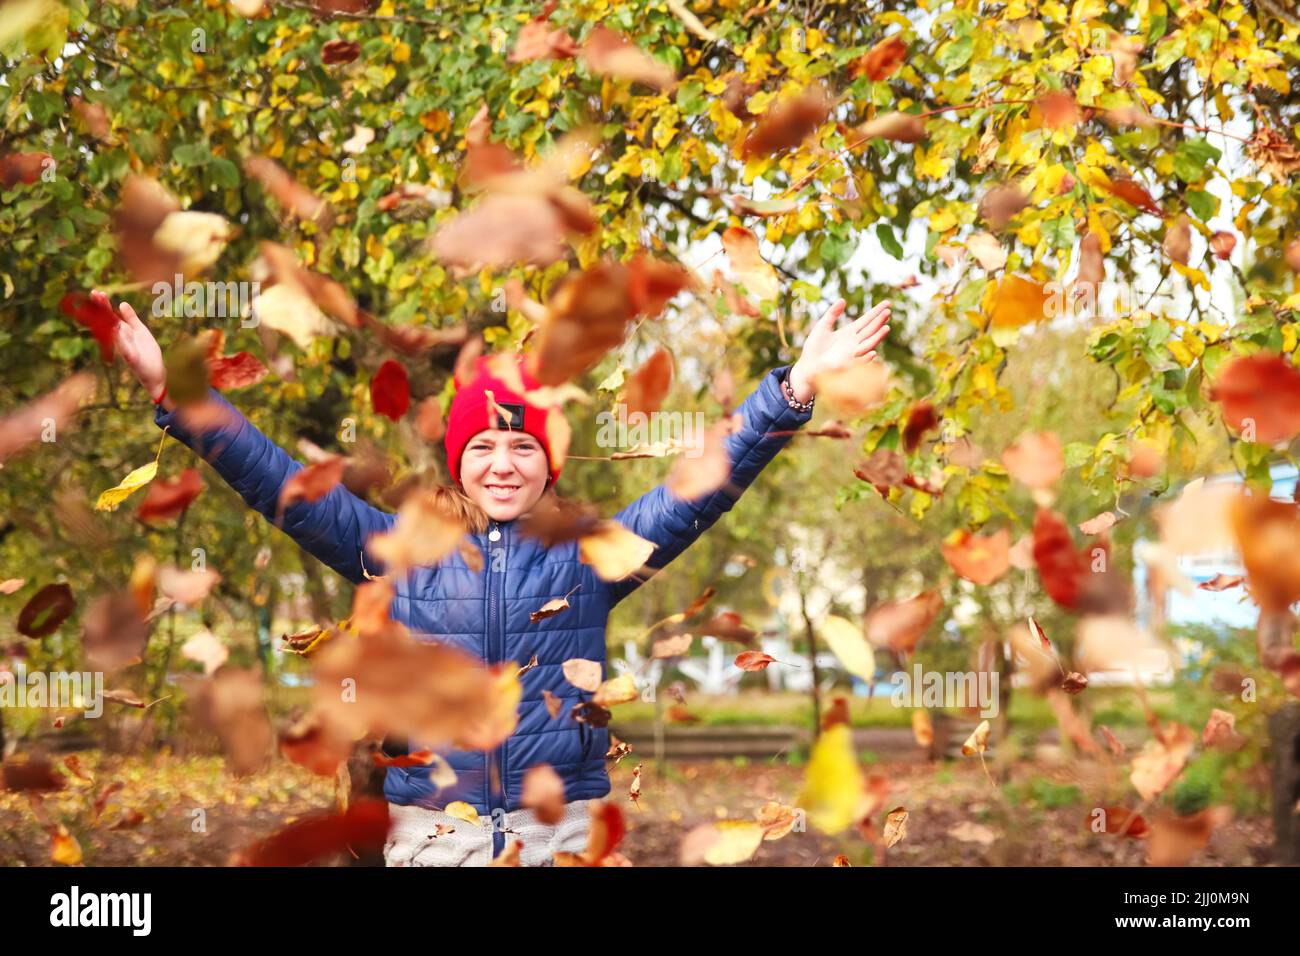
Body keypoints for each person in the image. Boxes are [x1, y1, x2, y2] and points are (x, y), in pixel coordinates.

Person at [107, 289, 891, 865]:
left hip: (561, 831)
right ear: (458, 462)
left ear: (547, 463)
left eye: (522, 447)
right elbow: (280, 485)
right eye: (482, 446)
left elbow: (699, 491)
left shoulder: (590, 554)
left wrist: (793, 392)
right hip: (435, 832)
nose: (503, 463)